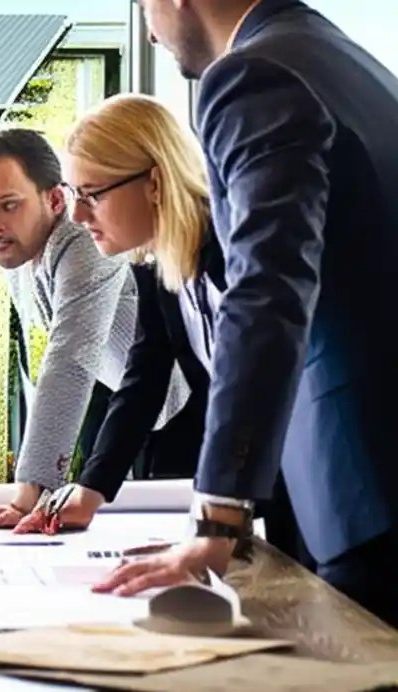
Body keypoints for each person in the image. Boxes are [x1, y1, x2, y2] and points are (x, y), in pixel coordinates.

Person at [96, 0, 398, 629]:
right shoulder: (349, 64)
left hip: (365, 495)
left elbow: (265, 290)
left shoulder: (251, 77)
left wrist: (218, 520)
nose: (149, 33)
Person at [0, 128, 196, 530]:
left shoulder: (85, 240)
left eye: (8, 205)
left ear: (55, 200)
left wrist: (26, 496)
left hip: (175, 405)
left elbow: (69, 360)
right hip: (114, 389)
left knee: (165, 529)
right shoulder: (15, 245)